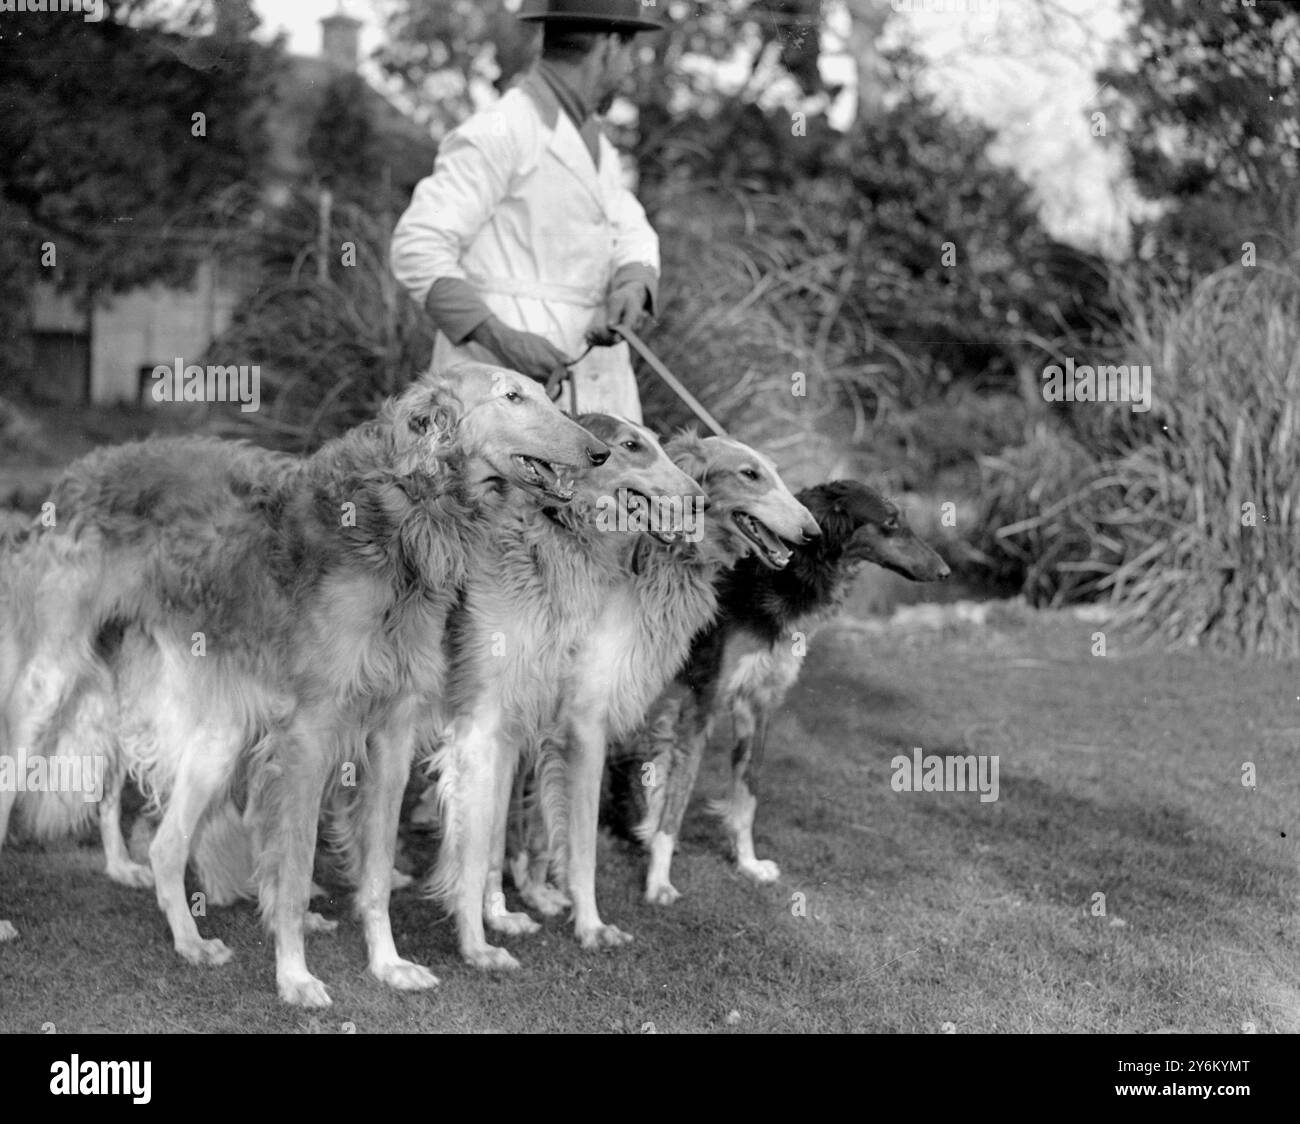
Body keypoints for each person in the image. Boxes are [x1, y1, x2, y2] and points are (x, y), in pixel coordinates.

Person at [390, 0, 664, 422]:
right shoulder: (499, 131)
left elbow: (632, 231)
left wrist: (633, 284)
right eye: (629, 52)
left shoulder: (599, 148)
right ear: (610, 45)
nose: (628, 68)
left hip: (598, 385)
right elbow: (418, 245)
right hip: (499, 398)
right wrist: (499, 337)